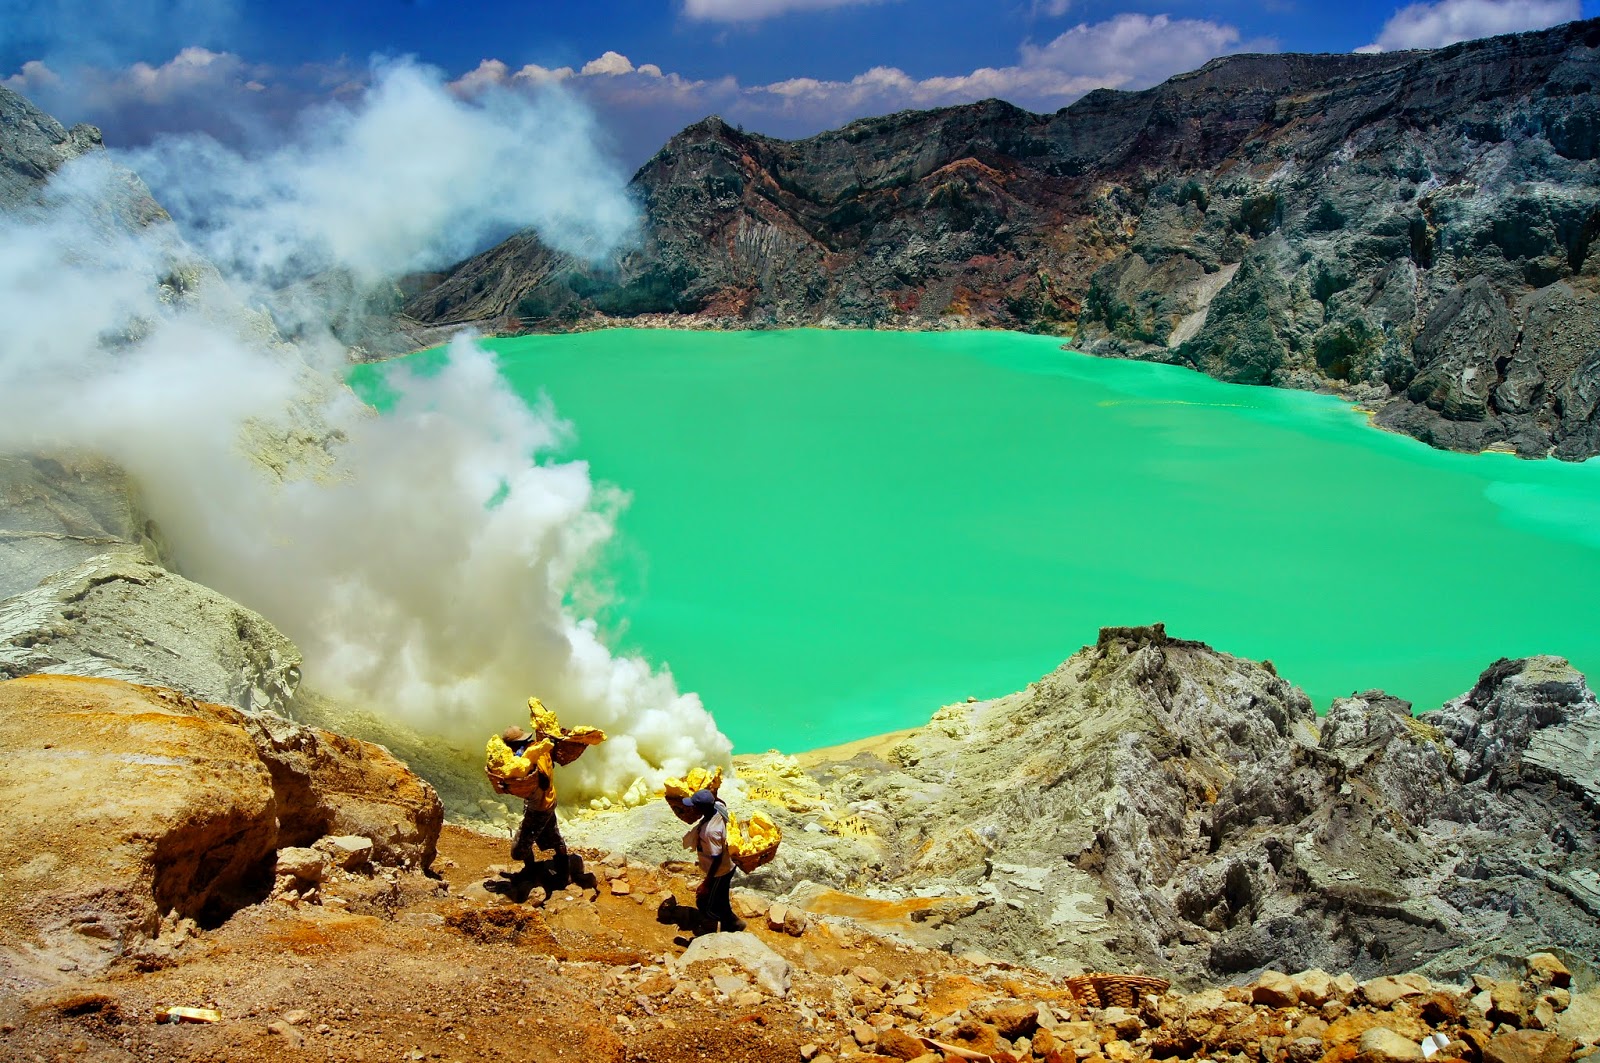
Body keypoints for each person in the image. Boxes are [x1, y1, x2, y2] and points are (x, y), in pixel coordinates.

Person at [502, 725, 568, 883]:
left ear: (516, 744)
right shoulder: (539, 748)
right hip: (549, 800)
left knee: (520, 846)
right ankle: (564, 874)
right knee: (554, 836)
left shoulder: (529, 757)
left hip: (539, 807)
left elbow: (543, 781)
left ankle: (531, 872)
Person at [682, 788, 744, 933]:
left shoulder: (711, 832)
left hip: (720, 870)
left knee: (704, 904)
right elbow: (720, 801)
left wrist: (706, 884)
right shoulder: (718, 808)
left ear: (701, 808)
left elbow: (716, 858)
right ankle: (728, 926)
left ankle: (732, 924)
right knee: (721, 899)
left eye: (694, 806)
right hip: (728, 865)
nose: (692, 808)